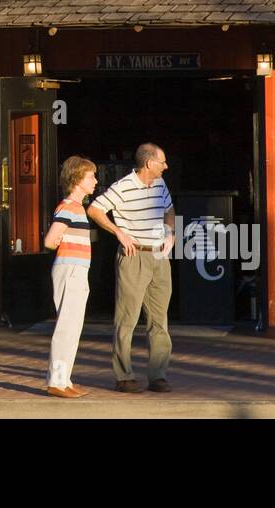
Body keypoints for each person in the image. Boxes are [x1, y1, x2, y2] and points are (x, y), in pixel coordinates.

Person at [88, 142, 176, 394]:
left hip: (159, 256)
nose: (166, 167)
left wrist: (170, 232)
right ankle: (124, 376)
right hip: (134, 256)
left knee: (159, 320)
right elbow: (94, 209)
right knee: (127, 318)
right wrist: (119, 233)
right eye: (162, 162)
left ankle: (158, 375)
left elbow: (169, 208)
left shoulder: (160, 184)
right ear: (149, 163)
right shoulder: (123, 187)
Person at [43, 156, 96, 399]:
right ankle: (56, 381)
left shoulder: (77, 208)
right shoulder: (68, 207)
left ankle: (65, 379)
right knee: (66, 326)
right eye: (90, 177)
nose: (94, 181)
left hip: (77, 269)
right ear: (77, 179)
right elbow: (50, 240)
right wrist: (64, 244)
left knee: (73, 327)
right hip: (70, 269)